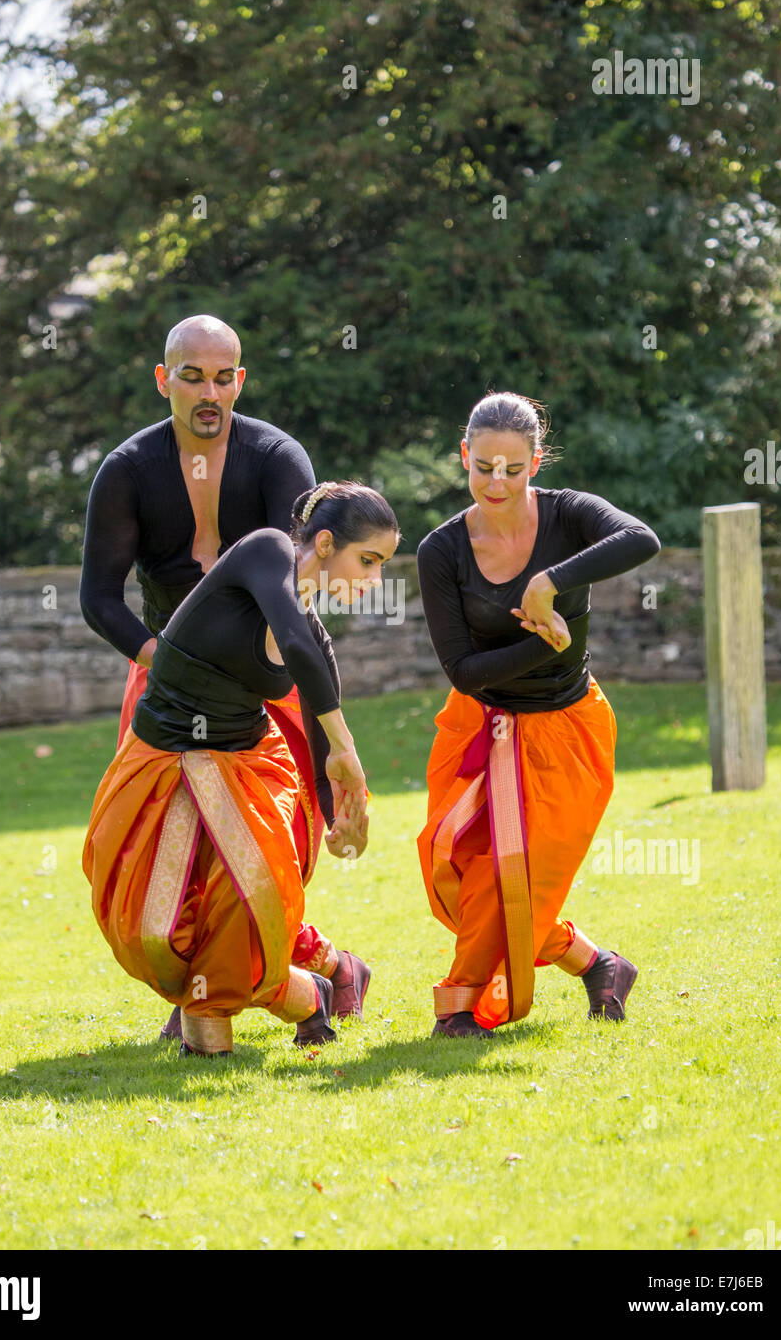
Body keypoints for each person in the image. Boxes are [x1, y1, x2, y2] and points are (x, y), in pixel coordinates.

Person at [79, 314, 368, 1032]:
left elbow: (299, 591)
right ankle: (299, 972)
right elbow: (97, 597)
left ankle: (238, 980)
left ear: (239, 380)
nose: (208, 391)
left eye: (222, 377)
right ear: (163, 379)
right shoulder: (127, 470)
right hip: (167, 679)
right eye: (191, 375)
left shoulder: (277, 458)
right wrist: (159, 657)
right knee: (155, 848)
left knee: (275, 842)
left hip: (267, 674)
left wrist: (337, 745)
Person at [82, 483, 400, 1056]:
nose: (375, 581)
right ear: (324, 544)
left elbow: (316, 727)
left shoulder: (314, 634)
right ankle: (303, 995)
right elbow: (298, 647)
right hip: (160, 761)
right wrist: (347, 745)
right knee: (148, 931)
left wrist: (337, 818)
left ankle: (217, 1032)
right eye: (369, 561)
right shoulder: (265, 550)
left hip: (249, 767)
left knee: (248, 912)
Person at [416, 392, 661, 1038]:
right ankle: (599, 964)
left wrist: (549, 581)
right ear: (463, 456)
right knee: (471, 874)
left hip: (566, 729)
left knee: (517, 877)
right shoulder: (440, 552)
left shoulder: (570, 516)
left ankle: (462, 1007)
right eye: (483, 466)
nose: (497, 482)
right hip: (478, 726)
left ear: (537, 462)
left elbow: (641, 538)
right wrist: (543, 642)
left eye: (513, 468)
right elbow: (463, 671)